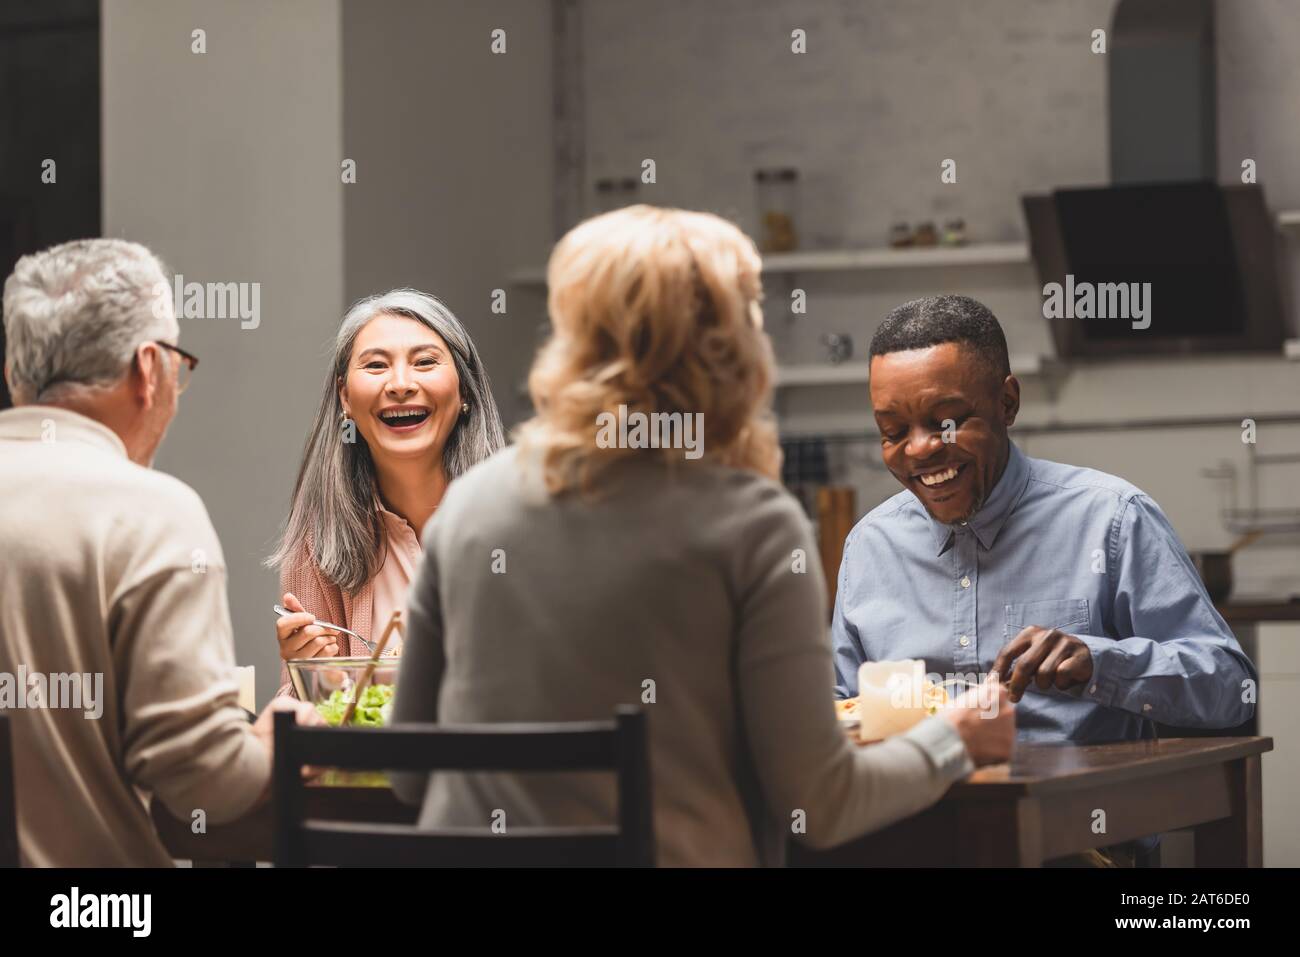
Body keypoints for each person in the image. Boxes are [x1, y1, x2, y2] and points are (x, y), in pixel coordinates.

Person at [391, 207, 1014, 866]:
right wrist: (953, 740)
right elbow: (820, 804)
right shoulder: (753, 526)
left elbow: (408, 772)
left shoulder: (468, 508)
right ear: (730, 347)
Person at [831, 295, 1258, 863]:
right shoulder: (869, 546)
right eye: (892, 431)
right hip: (913, 841)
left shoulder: (1113, 519)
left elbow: (1231, 689)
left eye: (945, 423)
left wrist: (1100, 664)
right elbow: (840, 712)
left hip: (1072, 846)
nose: (920, 450)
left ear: (1007, 402)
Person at [0, 238, 318, 866]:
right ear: (149, 368)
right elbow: (207, 783)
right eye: (177, 363)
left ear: (15, 375)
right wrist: (274, 738)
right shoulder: (149, 511)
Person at [268, 289, 504, 697]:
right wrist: (312, 677)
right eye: (376, 365)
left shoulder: (519, 520)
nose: (400, 385)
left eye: (425, 362)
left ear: (465, 390)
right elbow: (316, 717)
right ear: (345, 397)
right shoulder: (319, 541)